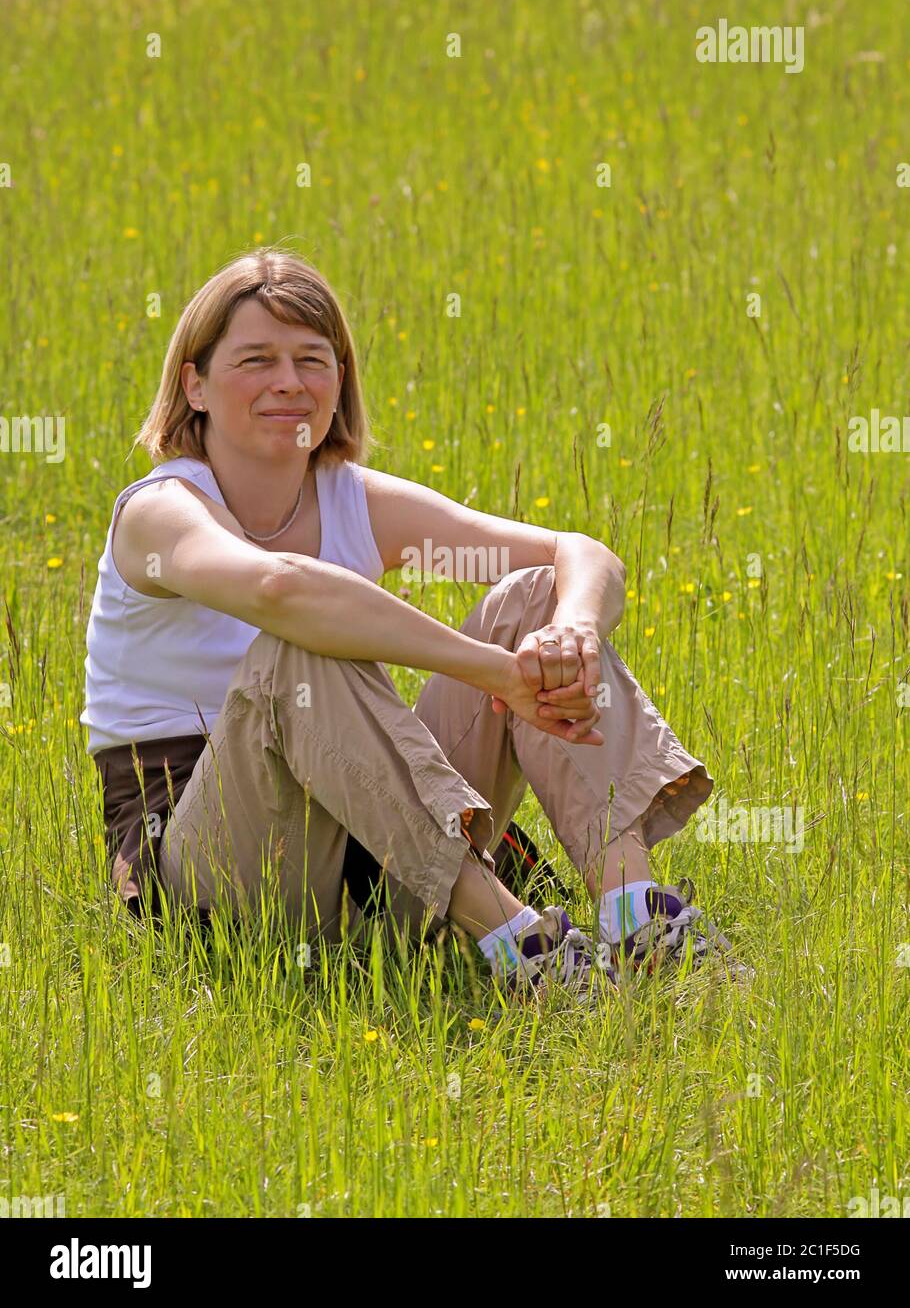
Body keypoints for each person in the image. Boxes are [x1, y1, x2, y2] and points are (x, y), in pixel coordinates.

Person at [81, 246, 741, 1006]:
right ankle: (524, 947)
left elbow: (578, 554)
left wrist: (574, 634)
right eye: (256, 360)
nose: (288, 382)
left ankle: (637, 920)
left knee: (533, 600)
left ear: (339, 380)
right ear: (194, 383)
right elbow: (279, 589)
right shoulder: (158, 512)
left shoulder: (351, 500)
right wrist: (492, 673)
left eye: (311, 359)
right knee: (301, 650)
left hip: (372, 846)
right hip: (220, 875)